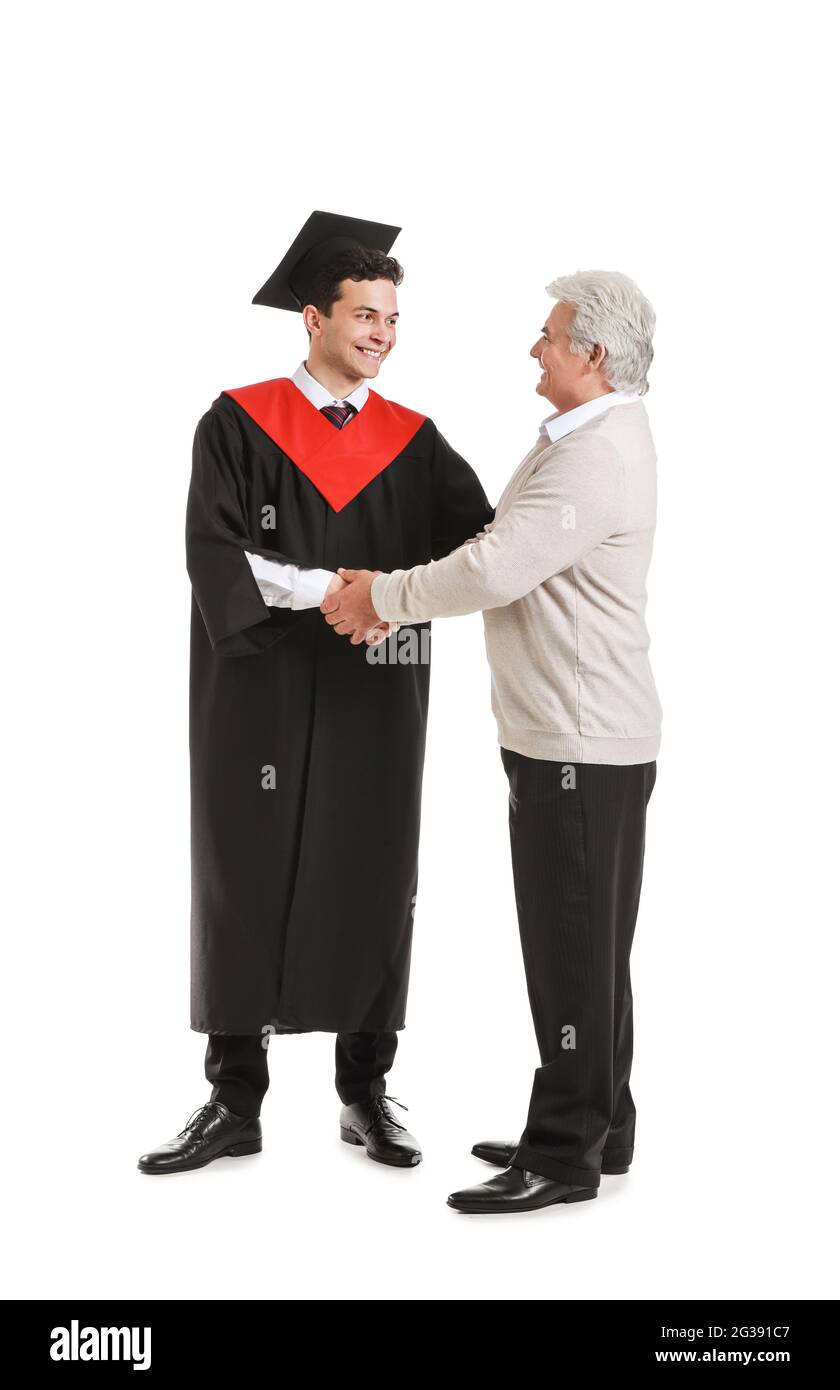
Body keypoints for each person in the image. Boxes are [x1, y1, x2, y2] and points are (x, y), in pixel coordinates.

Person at [138, 212, 493, 1176]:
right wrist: (333, 588)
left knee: (374, 864)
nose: (381, 332)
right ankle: (233, 1099)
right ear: (312, 318)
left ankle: (365, 1092)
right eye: (365, 314)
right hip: (259, 675)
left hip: (376, 681)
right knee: (243, 865)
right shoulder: (238, 419)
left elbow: (487, 547)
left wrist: (400, 599)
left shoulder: (415, 441)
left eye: (392, 318)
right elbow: (213, 549)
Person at [323, 269, 661, 1213]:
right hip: (582, 736)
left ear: (592, 355)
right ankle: (603, 1122)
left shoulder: (597, 453)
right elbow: (499, 546)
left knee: (568, 949)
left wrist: (378, 596)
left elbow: (497, 565)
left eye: (549, 335)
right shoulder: (589, 437)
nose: (534, 348)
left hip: (578, 743)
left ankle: (561, 1155)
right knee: (593, 949)